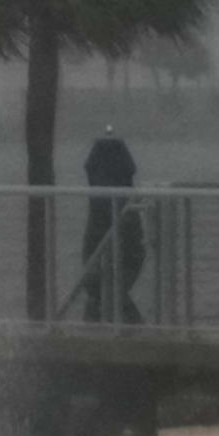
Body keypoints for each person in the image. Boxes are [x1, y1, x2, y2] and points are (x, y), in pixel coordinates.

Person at [76, 124, 147, 323]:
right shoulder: (124, 203)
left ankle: (121, 326)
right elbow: (134, 250)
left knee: (99, 290)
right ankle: (134, 327)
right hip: (118, 246)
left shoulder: (101, 202)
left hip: (105, 243)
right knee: (108, 290)